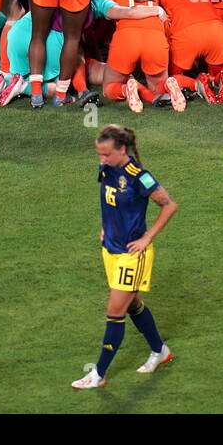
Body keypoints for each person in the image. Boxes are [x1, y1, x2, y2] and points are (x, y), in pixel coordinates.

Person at [72, 125, 177, 390]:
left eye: (106, 154)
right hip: (110, 250)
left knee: (114, 310)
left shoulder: (139, 177)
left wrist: (147, 238)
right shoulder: (106, 168)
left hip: (132, 255)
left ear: (122, 150)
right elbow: (108, 200)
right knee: (132, 305)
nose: (101, 159)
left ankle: (98, 374)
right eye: (99, 154)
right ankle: (160, 351)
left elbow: (169, 205)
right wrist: (106, 226)